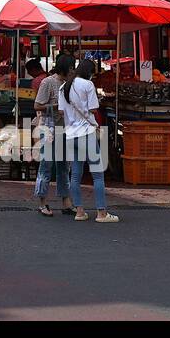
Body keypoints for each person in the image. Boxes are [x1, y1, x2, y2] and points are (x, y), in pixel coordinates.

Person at [58, 59, 119, 224]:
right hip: (87, 133)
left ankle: (79, 211)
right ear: (89, 72)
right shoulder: (87, 85)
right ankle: (101, 212)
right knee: (98, 175)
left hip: (71, 134)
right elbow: (93, 109)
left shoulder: (64, 87)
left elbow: (62, 112)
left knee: (75, 175)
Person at [33, 53, 74, 217]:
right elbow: (37, 105)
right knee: (47, 165)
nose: (73, 71)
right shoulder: (48, 82)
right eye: (71, 68)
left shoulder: (70, 84)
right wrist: (57, 106)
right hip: (48, 128)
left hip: (65, 129)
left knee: (64, 166)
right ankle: (42, 201)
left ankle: (65, 201)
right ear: (65, 68)